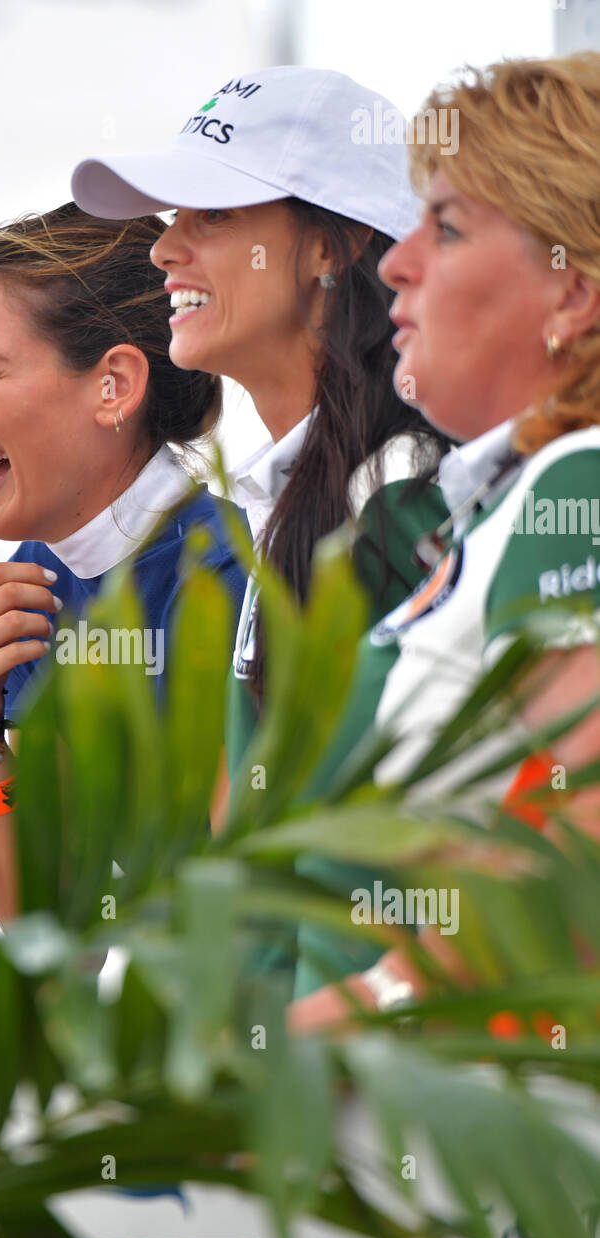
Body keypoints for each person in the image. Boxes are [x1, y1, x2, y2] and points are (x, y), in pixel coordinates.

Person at [282, 52, 600, 1031]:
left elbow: (579, 849)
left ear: (570, 294)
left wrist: (354, 1014)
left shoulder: (577, 482)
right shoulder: (517, 496)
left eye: (447, 227)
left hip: (451, 1138)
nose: (392, 263)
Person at [71, 65, 451, 799]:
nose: (163, 248)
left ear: (330, 246)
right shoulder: (291, 495)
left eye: (211, 214)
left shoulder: (406, 495)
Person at [0, 203, 247, 925]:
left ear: (115, 386)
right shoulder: (39, 575)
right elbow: (59, 934)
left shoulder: (227, 579)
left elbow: (239, 934)